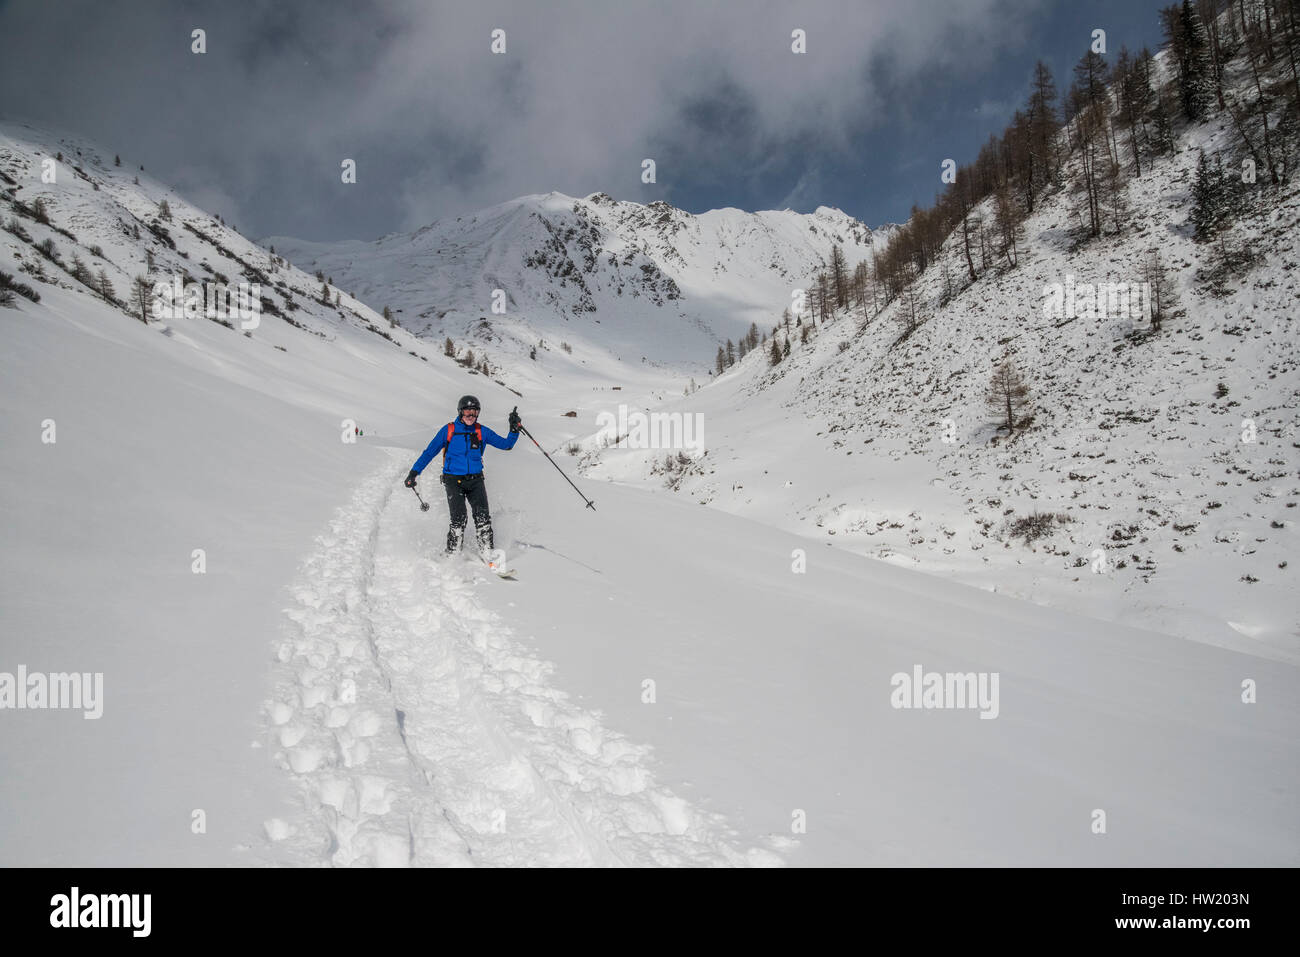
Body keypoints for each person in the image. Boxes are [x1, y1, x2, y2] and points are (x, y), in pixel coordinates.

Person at [405, 395, 522, 558]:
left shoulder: (482, 431)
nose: (471, 416)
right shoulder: (449, 430)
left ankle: (487, 552)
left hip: (475, 480)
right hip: (453, 480)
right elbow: (430, 452)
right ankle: (452, 553)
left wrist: (514, 429)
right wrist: (414, 472)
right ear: (460, 412)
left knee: (483, 518)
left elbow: (506, 444)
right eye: (467, 412)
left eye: (474, 412)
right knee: (458, 520)